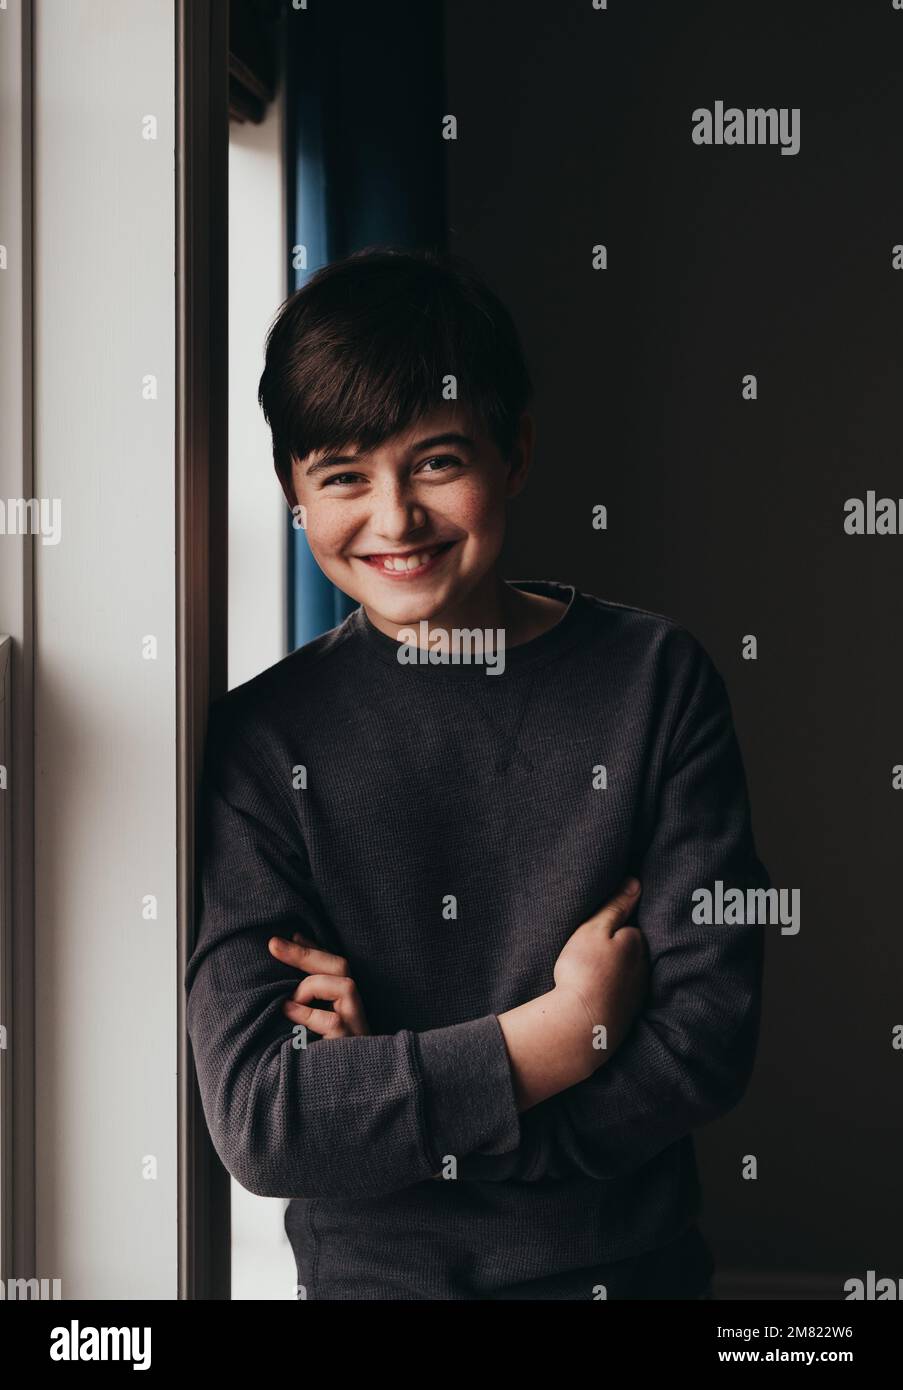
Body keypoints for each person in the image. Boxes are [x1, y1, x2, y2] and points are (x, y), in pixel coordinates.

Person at [184, 246, 768, 1300]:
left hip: (625, 1279)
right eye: (344, 477)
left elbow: (702, 1044)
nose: (395, 517)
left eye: (438, 462)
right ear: (292, 495)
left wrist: (395, 1110)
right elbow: (270, 1122)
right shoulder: (260, 743)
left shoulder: (656, 682)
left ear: (518, 451)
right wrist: (553, 1039)